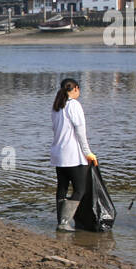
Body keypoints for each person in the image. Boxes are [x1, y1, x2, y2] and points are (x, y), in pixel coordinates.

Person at [50, 78, 97, 230]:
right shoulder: (74, 105)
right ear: (76, 88)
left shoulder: (57, 105)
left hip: (58, 153)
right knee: (80, 189)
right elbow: (80, 132)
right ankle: (64, 223)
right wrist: (88, 152)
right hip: (73, 155)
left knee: (62, 187)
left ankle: (61, 221)